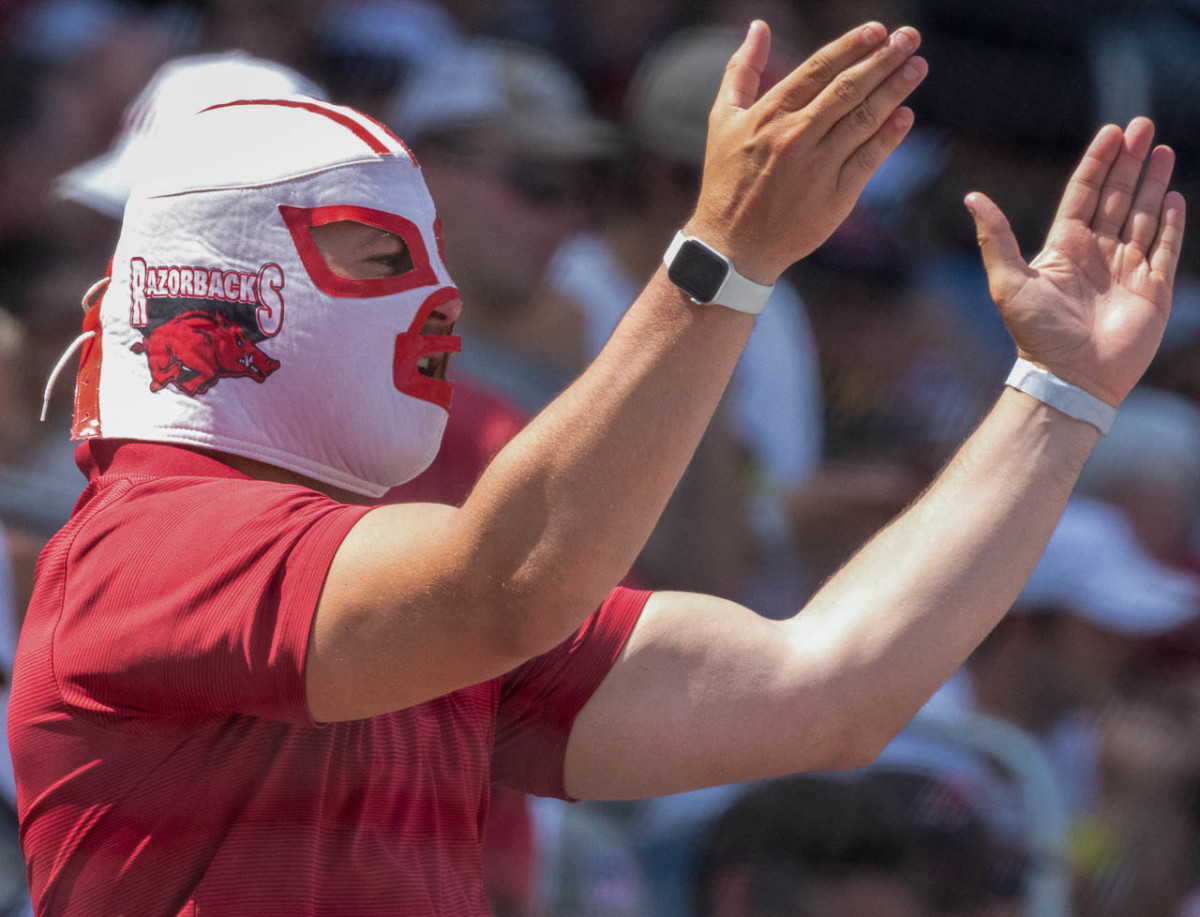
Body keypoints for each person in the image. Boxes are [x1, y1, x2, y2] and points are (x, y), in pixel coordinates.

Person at [8, 20, 1186, 917]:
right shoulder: (141, 550)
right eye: (375, 254)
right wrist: (724, 255)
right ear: (218, 281)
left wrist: (1058, 392)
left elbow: (831, 687)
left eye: (429, 260)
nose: (437, 299)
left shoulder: (412, 608)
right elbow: (506, 579)